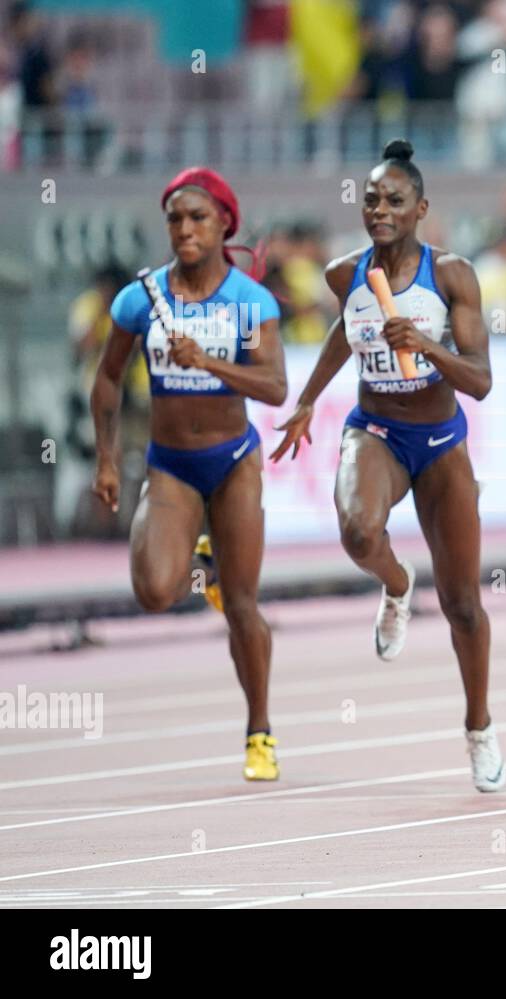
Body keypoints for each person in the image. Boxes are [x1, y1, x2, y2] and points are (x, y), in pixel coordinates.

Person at [271, 139, 505, 792]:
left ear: (420, 208)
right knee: (357, 531)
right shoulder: (344, 274)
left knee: (462, 605)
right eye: (370, 198)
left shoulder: (452, 274)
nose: (379, 208)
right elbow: (346, 331)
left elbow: (481, 381)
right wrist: (308, 399)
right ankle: (398, 585)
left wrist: (425, 343)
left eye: (393, 200)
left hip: (439, 444)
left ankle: (479, 726)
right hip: (375, 429)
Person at [91, 167, 286, 781]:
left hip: (233, 462)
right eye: (174, 218)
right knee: (153, 591)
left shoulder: (249, 302)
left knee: (244, 606)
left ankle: (259, 730)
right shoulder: (140, 298)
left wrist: (207, 361)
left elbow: (275, 387)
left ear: (225, 222)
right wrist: (105, 457)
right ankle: (204, 563)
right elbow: (107, 378)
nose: (184, 228)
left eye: (197, 217)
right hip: (170, 465)